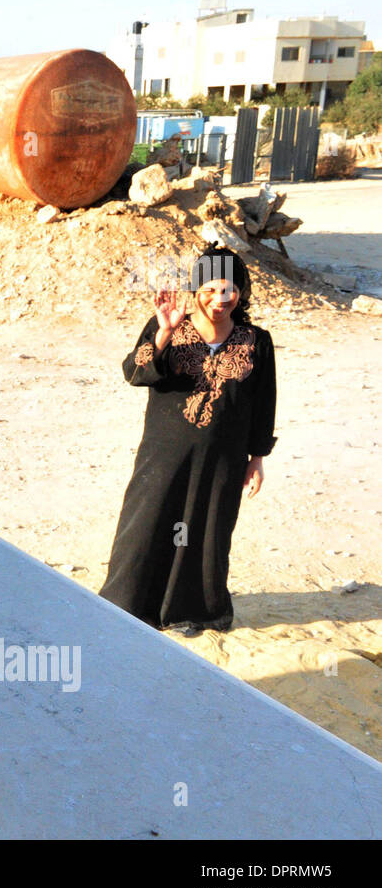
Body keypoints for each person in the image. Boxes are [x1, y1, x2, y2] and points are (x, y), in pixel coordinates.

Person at [99, 244, 276, 634]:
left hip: (223, 458)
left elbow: (264, 403)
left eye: (229, 289)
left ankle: (195, 611)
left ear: (241, 292)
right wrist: (163, 332)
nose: (220, 299)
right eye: (211, 289)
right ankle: (128, 606)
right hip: (164, 455)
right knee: (147, 524)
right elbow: (134, 372)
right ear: (196, 289)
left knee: (207, 532)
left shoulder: (257, 341)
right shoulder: (169, 327)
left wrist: (257, 457)